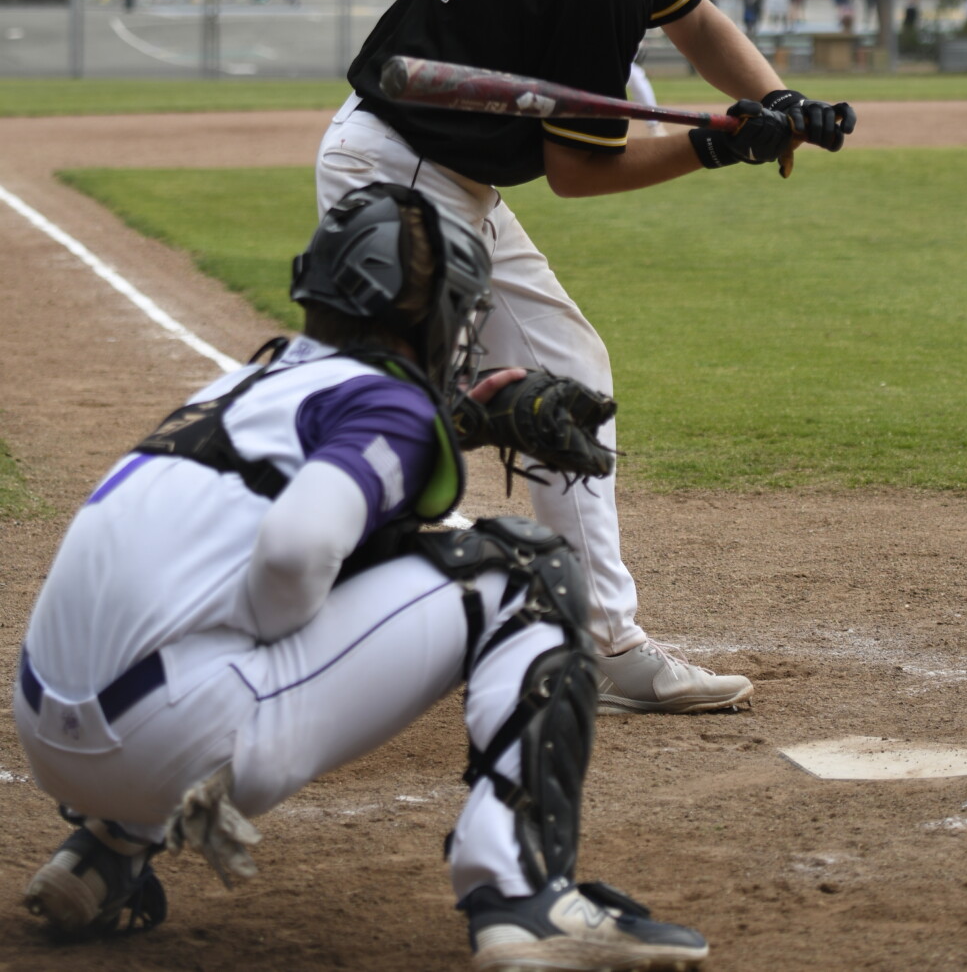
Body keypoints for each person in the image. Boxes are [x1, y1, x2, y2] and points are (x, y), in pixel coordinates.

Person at [15, 183, 708, 968]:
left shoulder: (249, 383)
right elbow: (292, 551)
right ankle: (525, 899)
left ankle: (104, 854)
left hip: (52, 735)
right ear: (431, 312)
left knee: (245, 585)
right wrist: (282, 627)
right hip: (175, 742)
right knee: (526, 571)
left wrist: (459, 422)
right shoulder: (388, 405)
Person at [315, 0, 856, 715]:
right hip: (405, 181)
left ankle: (593, 636)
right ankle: (279, 609)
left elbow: (693, 21)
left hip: (439, 170)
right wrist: (715, 145)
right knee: (401, 426)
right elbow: (577, 171)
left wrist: (784, 104)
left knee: (560, 379)